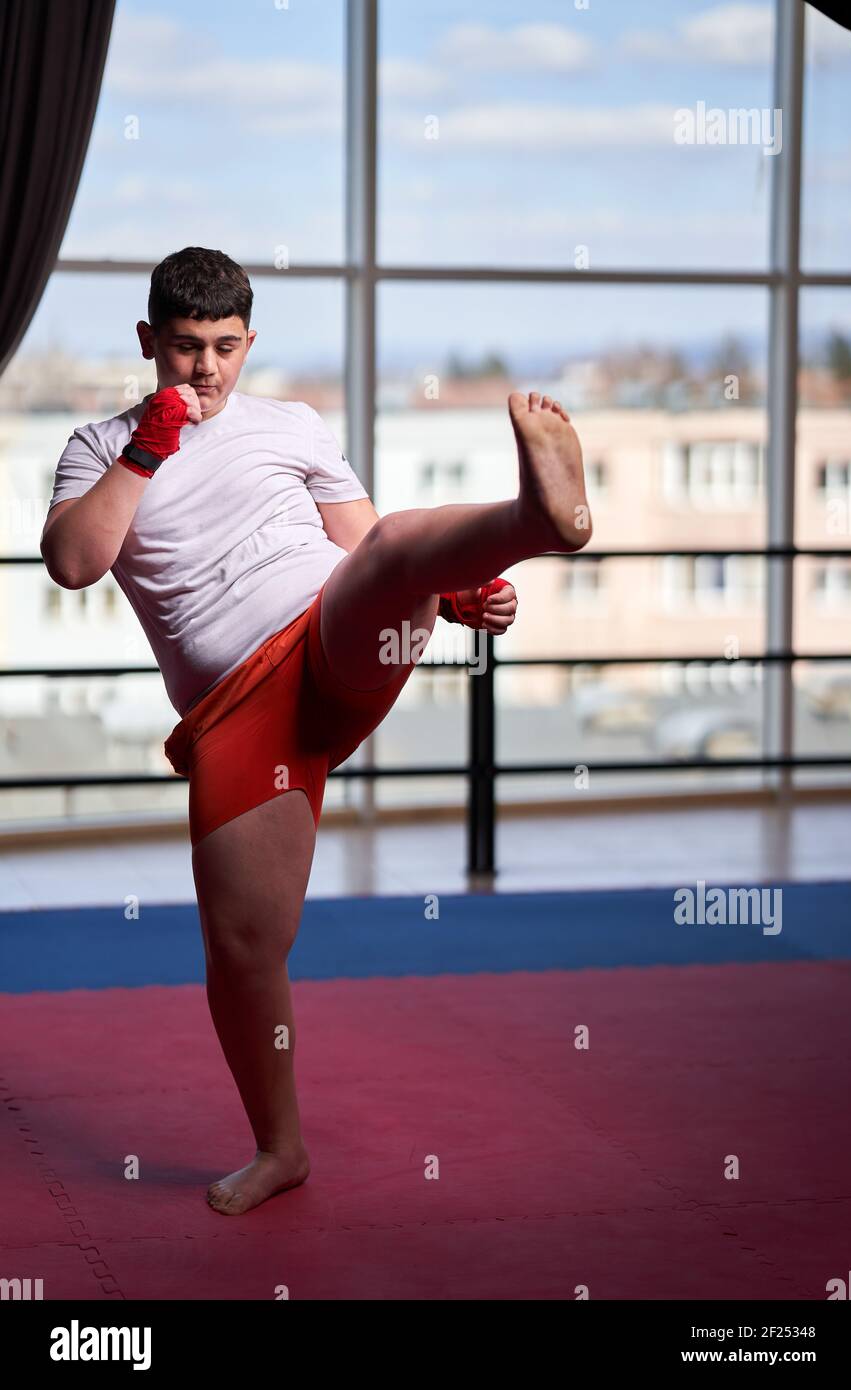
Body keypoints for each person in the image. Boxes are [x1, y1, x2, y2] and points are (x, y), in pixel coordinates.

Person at [40, 246, 593, 1216]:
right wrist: (147, 449)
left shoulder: (292, 425)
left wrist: (455, 593)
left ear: (249, 342)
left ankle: (533, 522)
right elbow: (75, 563)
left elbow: (365, 542)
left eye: (224, 347)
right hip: (236, 716)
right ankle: (281, 1150)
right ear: (148, 341)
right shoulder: (98, 447)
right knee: (243, 950)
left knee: (395, 546)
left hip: (329, 638)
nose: (205, 369)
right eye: (185, 348)